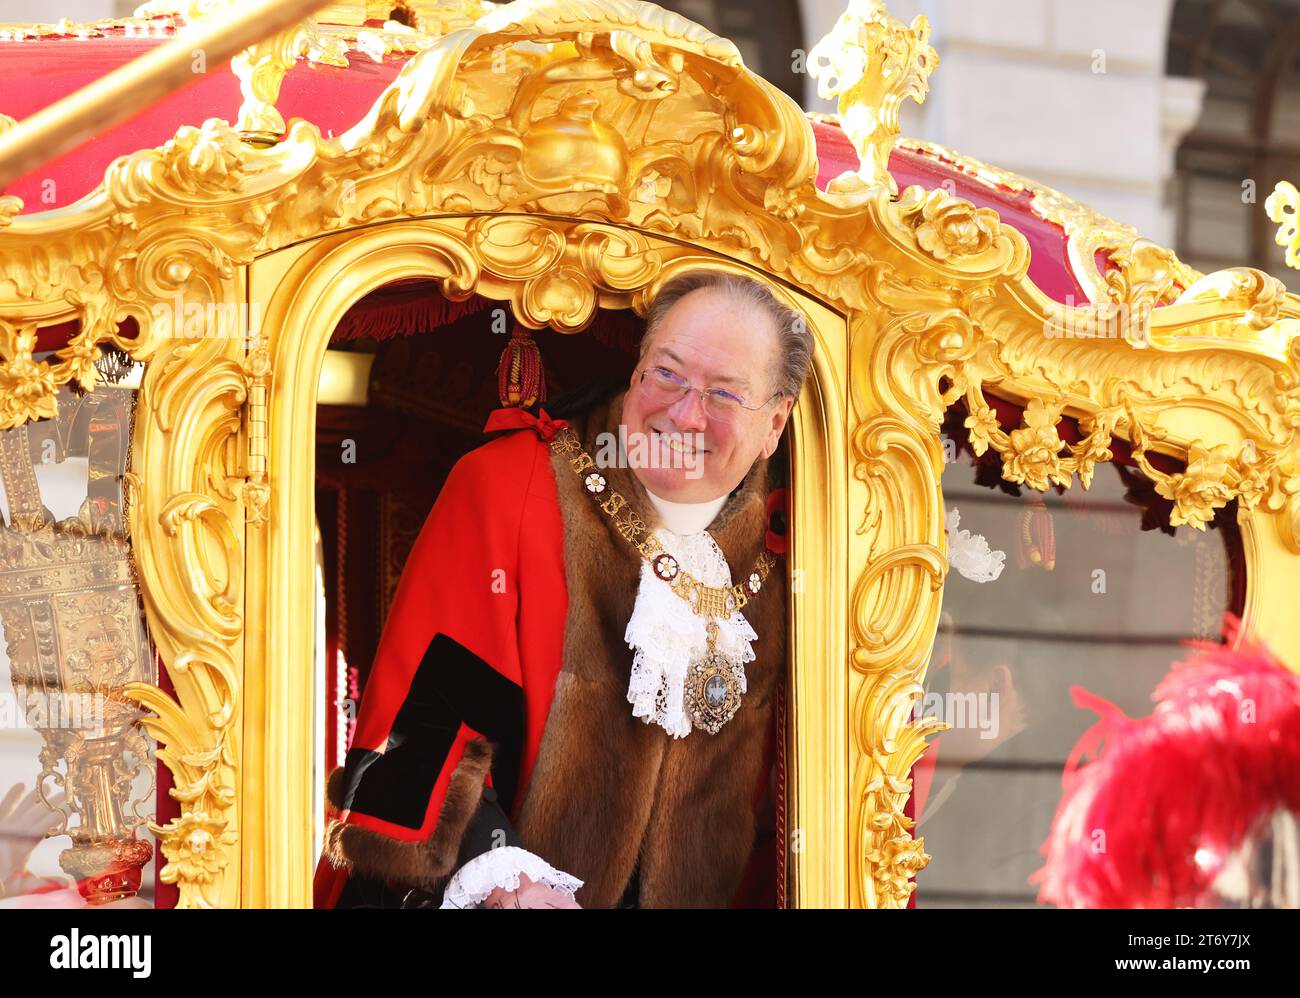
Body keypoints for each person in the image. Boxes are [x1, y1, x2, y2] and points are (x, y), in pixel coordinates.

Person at [313, 269, 814, 908]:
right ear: (637, 371)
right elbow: (424, 727)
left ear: (776, 423)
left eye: (724, 394)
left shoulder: (798, 546)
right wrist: (502, 878)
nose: (685, 413)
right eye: (667, 373)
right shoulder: (512, 485)